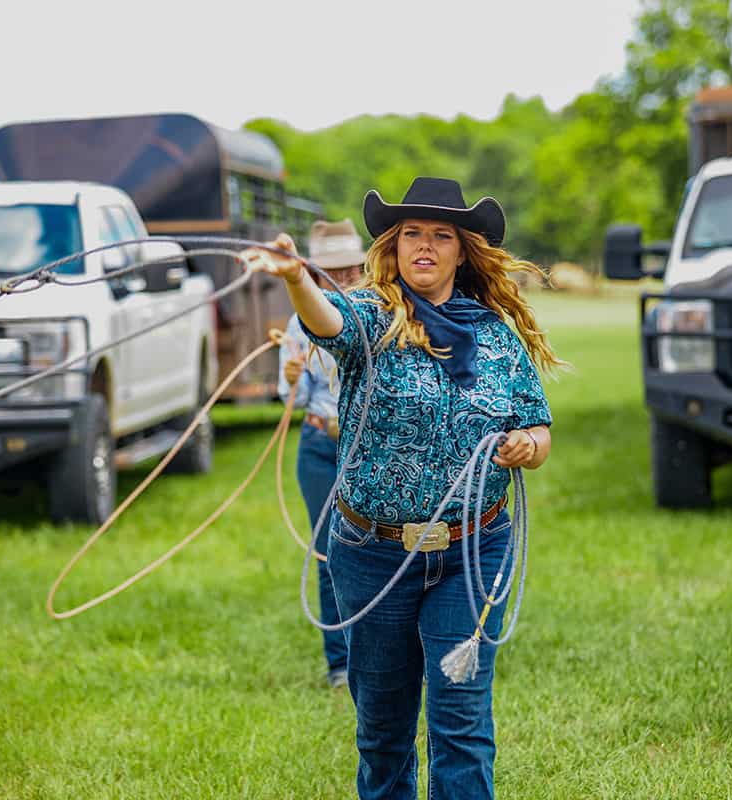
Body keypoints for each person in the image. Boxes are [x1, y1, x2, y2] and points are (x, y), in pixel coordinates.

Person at [249, 177, 561, 799]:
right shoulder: (374, 317)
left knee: (462, 723)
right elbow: (328, 321)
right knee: (384, 728)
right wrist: (295, 278)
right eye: (412, 234)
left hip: (472, 549)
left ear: (462, 250)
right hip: (374, 551)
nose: (425, 246)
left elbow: (537, 423)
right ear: (392, 247)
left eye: (441, 235)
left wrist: (527, 445)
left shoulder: (496, 334)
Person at [277, 219, 366, 689]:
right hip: (318, 443)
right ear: (312, 273)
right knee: (329, 550)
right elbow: (289, 393)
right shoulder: (299, 321)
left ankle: (379, 655)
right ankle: (339, 662)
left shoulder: (381, 313)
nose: (342, 278)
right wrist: (292, 377)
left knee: (373, 550)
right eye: (330, 270)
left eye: (349, 269)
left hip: (366, 446)